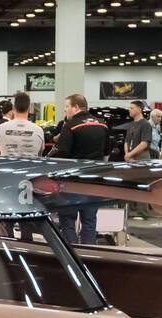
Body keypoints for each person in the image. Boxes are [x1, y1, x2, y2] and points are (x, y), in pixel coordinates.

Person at [50, 94, 109, 244]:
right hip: (94, 179)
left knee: (68, 218)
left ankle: (72, 252)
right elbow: (107, 151)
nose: (66, 111)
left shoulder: (70, 126)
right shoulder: (102, 124)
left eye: (67, 107)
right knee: (89, 219)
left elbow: (62, 154)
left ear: (76, 107)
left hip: (72, 180)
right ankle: (89, 253)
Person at [123, 100, 155, 219]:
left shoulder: (145, 124)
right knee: (130, 184)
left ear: (139, 109)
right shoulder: (131, 124)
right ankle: (131, 211)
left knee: (142, 185)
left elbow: (144, 143)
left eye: (131, 108)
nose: (129, 110)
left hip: (142, 157)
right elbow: (126, 141)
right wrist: (127, 154)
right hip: (130, 156)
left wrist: (130, 154)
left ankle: (143, 213)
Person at [0, 92, 44, 157]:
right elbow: (39, 154)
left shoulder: (0, 128)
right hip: (30, 166)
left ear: (13, 107)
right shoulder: (38, 130)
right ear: (28, 108)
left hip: (7, 166)